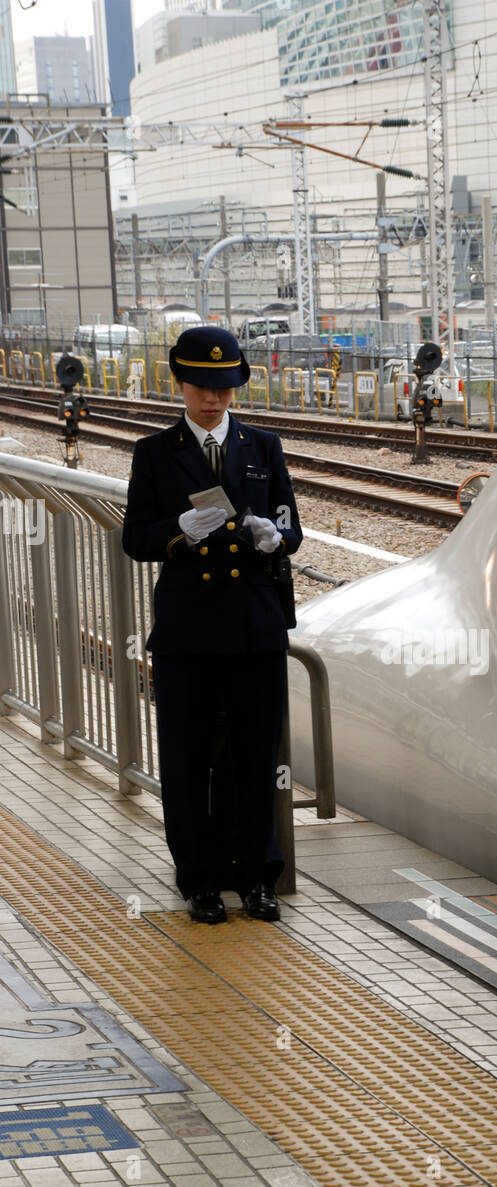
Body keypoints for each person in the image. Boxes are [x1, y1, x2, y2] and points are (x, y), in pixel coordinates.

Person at [122, 326, 303, 924]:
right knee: (186, 757)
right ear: (177, 383)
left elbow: (290, 526)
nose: (214, 400)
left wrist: (275, 538)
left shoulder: (264, 446)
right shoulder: (155, 452)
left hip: (254, 627)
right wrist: (179, 532)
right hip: (188, 633)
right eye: (202, 387)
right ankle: (198, 878)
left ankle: (256, 877)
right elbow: (136, 539)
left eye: (225, 388)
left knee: (255, 756)